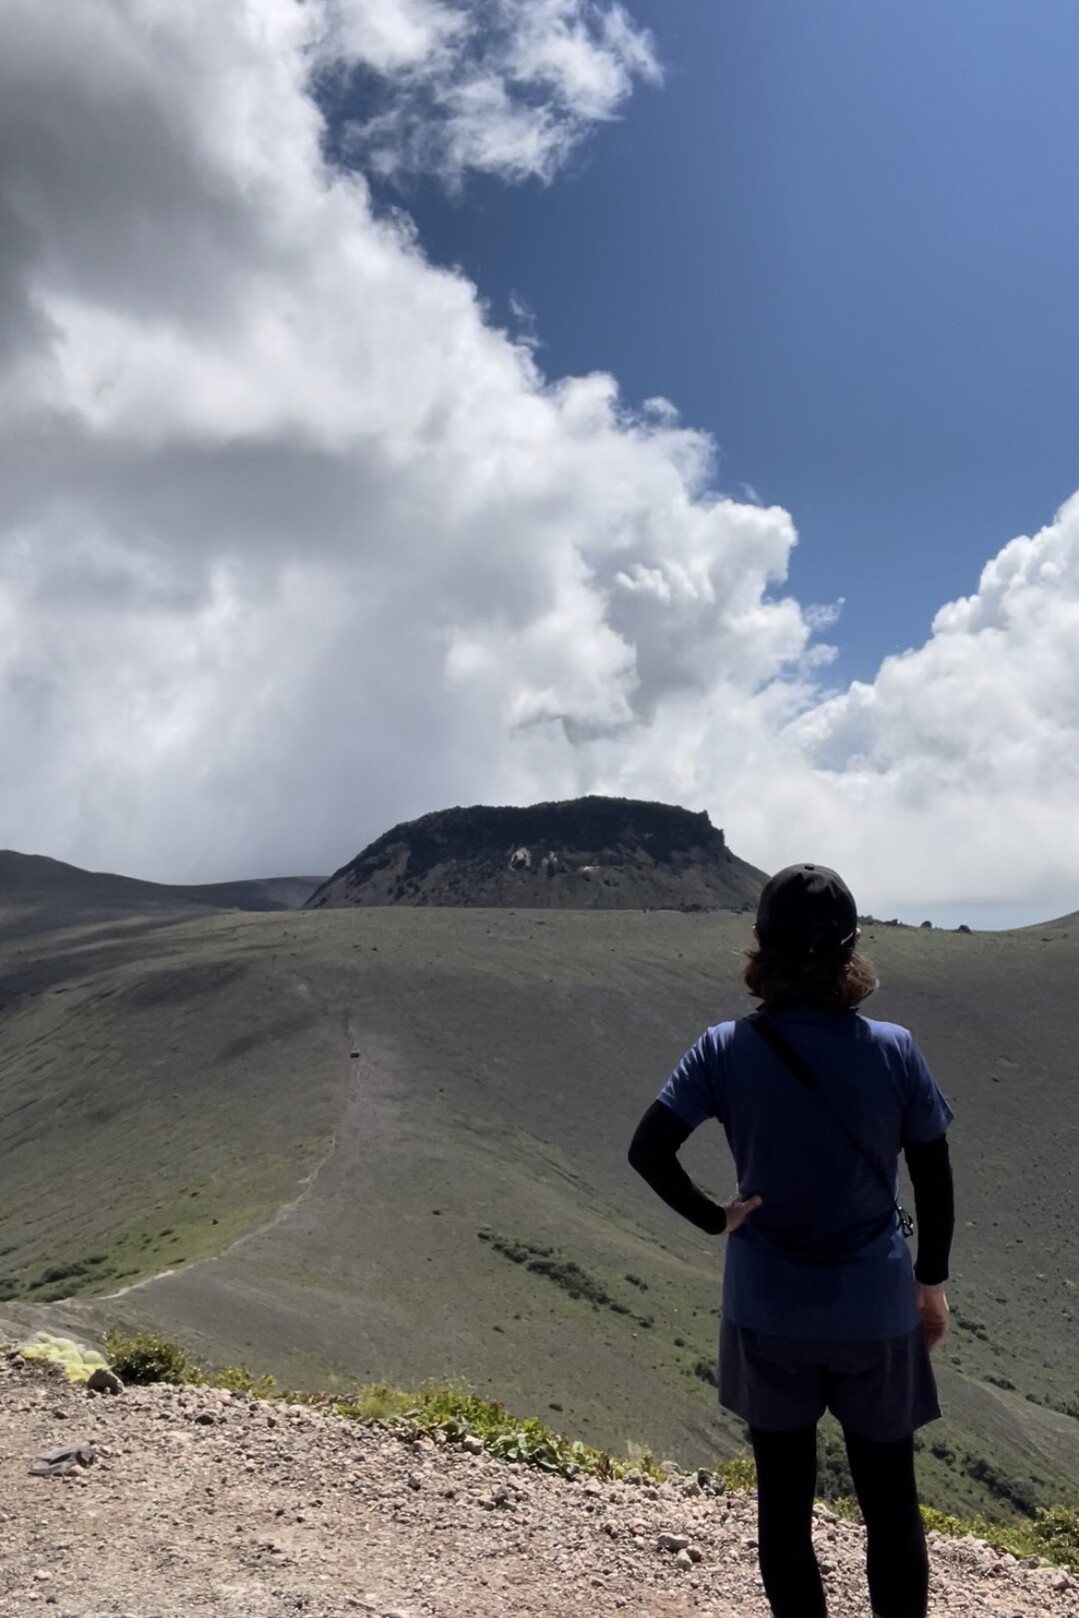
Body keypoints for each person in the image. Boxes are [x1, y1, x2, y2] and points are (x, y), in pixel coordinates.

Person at [628, 863, 955, 1618]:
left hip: (766, 1307)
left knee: (782, 1507)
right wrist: (928, 1282)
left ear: (757, 945)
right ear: (853, 948)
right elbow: (934, 1177)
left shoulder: (722, 1048)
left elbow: (648, 1151)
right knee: (889, 1505)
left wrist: (716, 1217)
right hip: (873, 1310)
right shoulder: (895, 1049)